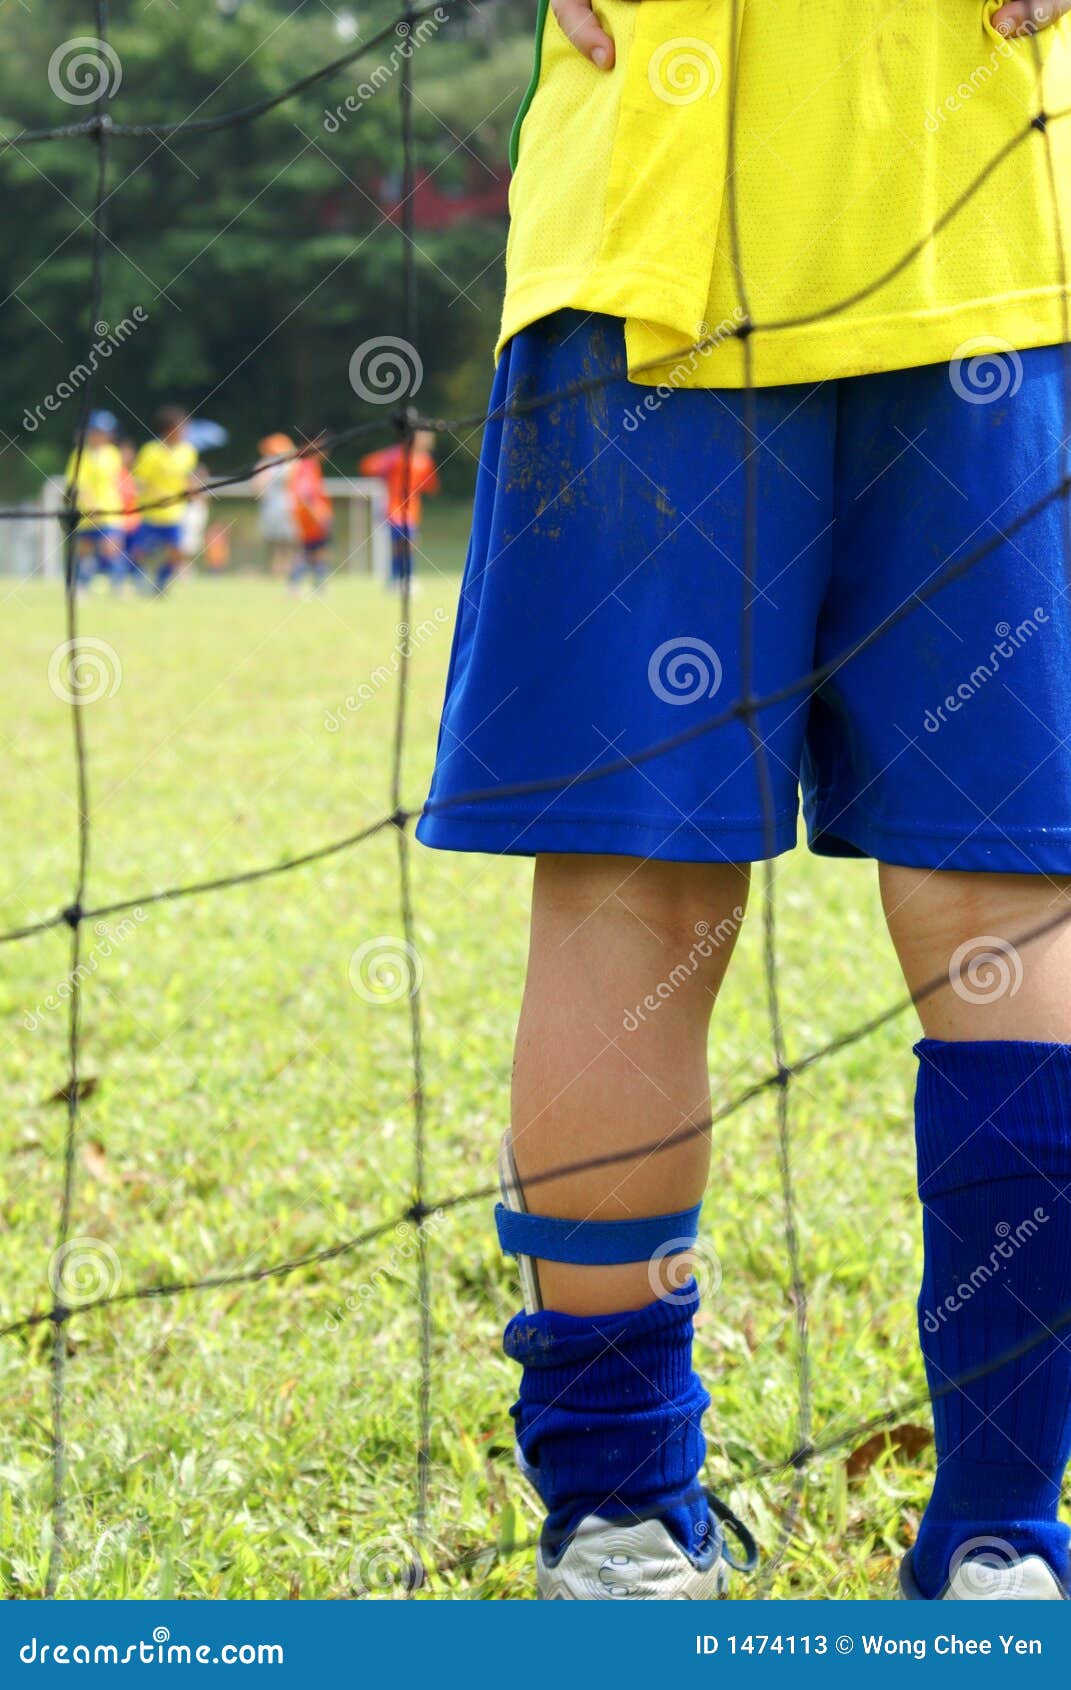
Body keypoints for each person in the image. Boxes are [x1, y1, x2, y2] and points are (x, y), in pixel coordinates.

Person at [416, 0, 1071, 1602]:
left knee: (625, 899)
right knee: (1003, 907)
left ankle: (622, 1523)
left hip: (668, 225)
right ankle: (999, 1539)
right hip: (965, 217)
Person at [359, 430, 439, 588]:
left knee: (406, 544)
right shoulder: (396, 455)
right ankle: (401, 578)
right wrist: (384, 475)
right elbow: (368, 465)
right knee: (404, 543)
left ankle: (400, 578)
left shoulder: (425, 460)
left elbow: (431, 486)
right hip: (394, 508)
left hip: (412, 510)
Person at [131, 406, 198, 594]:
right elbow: (140, 480)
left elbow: (187, 477)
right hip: (151, 512)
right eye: (182, 427)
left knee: (177, 553)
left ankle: (159, 584)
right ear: (169, 429)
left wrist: (192, 491)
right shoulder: (151, 451)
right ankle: (133, 580)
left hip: (175, 513)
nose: (185, 431)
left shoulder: (188, 451)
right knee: (138, 552)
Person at [63, 410, 123, 590]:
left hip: (110, 511)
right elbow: (78, 484)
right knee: (84, 551)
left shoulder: (113, 454)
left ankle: (117, 586)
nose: (101, 436)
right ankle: (81, 585)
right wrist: (90, 506)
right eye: (97, 432)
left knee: (111, 548)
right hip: (87, 513)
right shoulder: (79, 455)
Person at [289, 430, 332, 593]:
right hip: (311, 519)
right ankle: (299, 585)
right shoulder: (307, 465)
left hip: (309, 517)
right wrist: (318, 513)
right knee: (314, 553)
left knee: (312, 552)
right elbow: (304, 492)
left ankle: (313, 585)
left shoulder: (308, 465)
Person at [253, 433, 298, 576]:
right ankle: (280, 570)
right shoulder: (285, 463)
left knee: (283, 542)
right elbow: (258, 487)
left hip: (282, 506)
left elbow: (258, 488)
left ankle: (282, 570)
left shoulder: (287, 464)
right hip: (279, 506)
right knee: (281, 542)